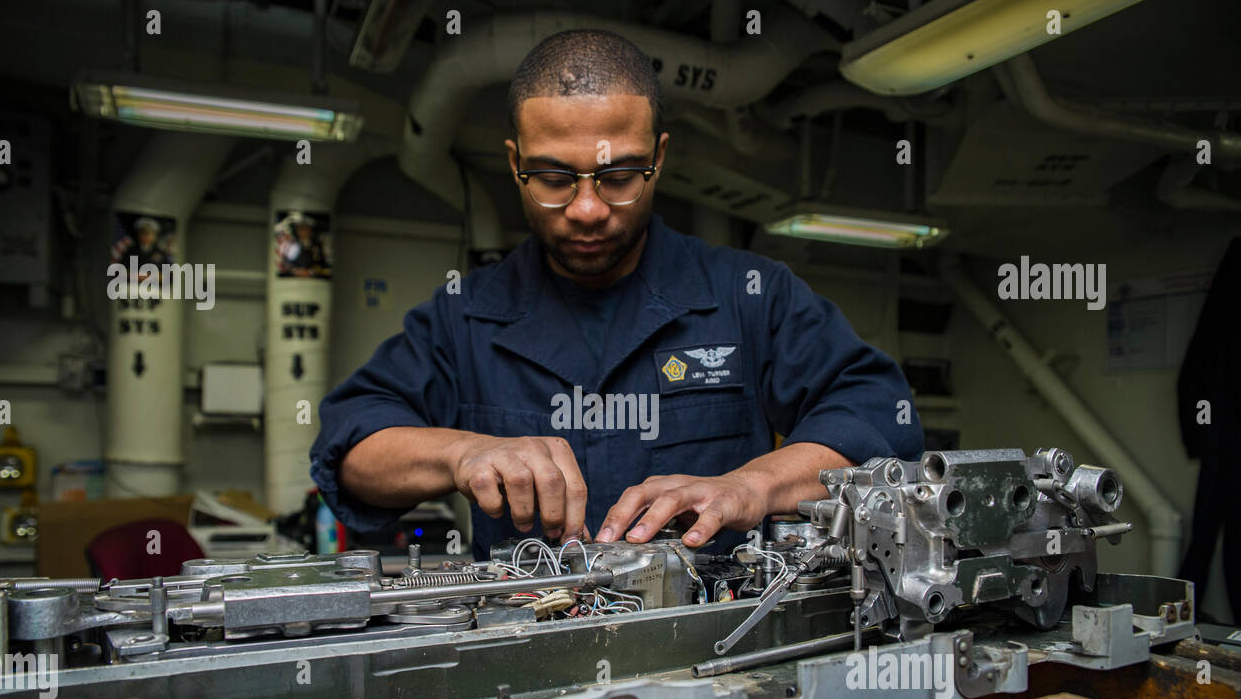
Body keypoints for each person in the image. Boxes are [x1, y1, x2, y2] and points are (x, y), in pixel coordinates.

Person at [311, 29, 923, 558]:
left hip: (719, 645)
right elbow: (353, 448)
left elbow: (879, 418)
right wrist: (459, 455)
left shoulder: (750, 295)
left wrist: (753, 486)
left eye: (619, 176)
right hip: (521, 652)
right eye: (552, 178)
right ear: (515, 161)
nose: (586, 209)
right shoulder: (462, 318)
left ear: (658, 158)